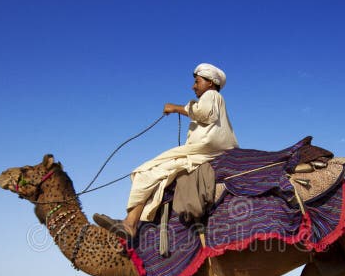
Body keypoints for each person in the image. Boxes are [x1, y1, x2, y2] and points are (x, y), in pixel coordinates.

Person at [93, 63, 239, 239]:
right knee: (158, 174)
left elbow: (204, 113)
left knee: (147, 171)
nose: (193, 86)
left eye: (197, 81)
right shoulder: (214, 98)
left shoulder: (211, 95)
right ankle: (131, 222)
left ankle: (130, 224)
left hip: (204, 152)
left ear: (210, 83)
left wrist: (176, 108)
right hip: (205, 151)